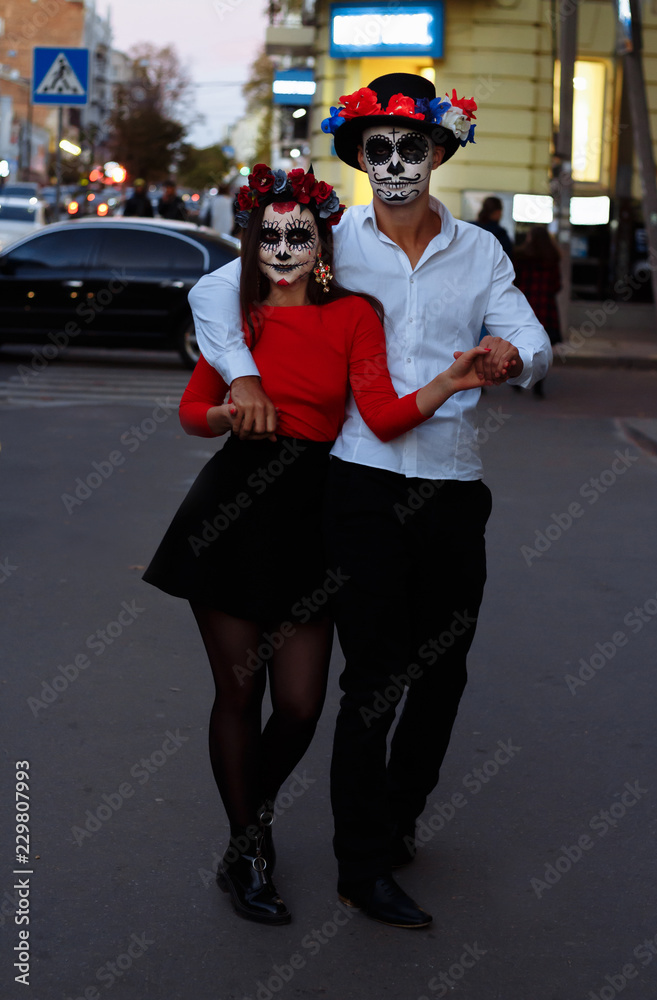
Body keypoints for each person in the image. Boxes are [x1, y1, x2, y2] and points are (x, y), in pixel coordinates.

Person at [188, 73, 552, 929]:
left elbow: (531, 336)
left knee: (445, 674)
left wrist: (512, 356)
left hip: (455, 485)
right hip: (359, 482)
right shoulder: (331, 240)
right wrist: (241, 377)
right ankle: (361, 864)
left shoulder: (481, 252)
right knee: (376, 678)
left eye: (412, 147)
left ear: (438, 153)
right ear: (357, 159)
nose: (395, 163)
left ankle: (396, 814)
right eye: (377, 148)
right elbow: (215, 291)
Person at [143, 163, 494, 927]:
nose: (280, 246)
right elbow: (190, 409)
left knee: (299, 704)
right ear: (250, 240)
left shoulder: (352, 317)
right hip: (231, 515)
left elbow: (385, 412)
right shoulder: (234, 319)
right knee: (239, 693)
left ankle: (248, 824)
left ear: (320, 242)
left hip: (317, 514)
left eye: (295, 233)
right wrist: (228, 414)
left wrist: (451, 381)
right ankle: (249, 849)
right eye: (266, 234)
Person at [512, 226, 562, 396]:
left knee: (520, 343)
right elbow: (557, 285)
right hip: (545, 305)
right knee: (542, 345)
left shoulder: (521, 255)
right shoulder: (552, 257)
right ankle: (538, 386)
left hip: (525, 304)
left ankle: (518, 378)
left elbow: (514, 281)